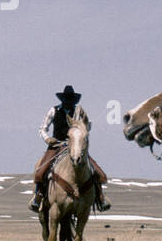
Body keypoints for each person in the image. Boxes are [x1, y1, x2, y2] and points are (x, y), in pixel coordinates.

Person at [30, 85, 110, 213]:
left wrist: (84, 125)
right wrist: (47, 139)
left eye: (71, 99)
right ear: (62, 99)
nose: (69, 102)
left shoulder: (79, 111)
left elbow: (88, 127)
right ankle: (38, 197)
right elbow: (42, 128)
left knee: (98, 173)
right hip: (56, 145)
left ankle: (101, 198)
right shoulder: (53, 110)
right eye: (67, 99)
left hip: (75, 146)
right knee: (40, 172)